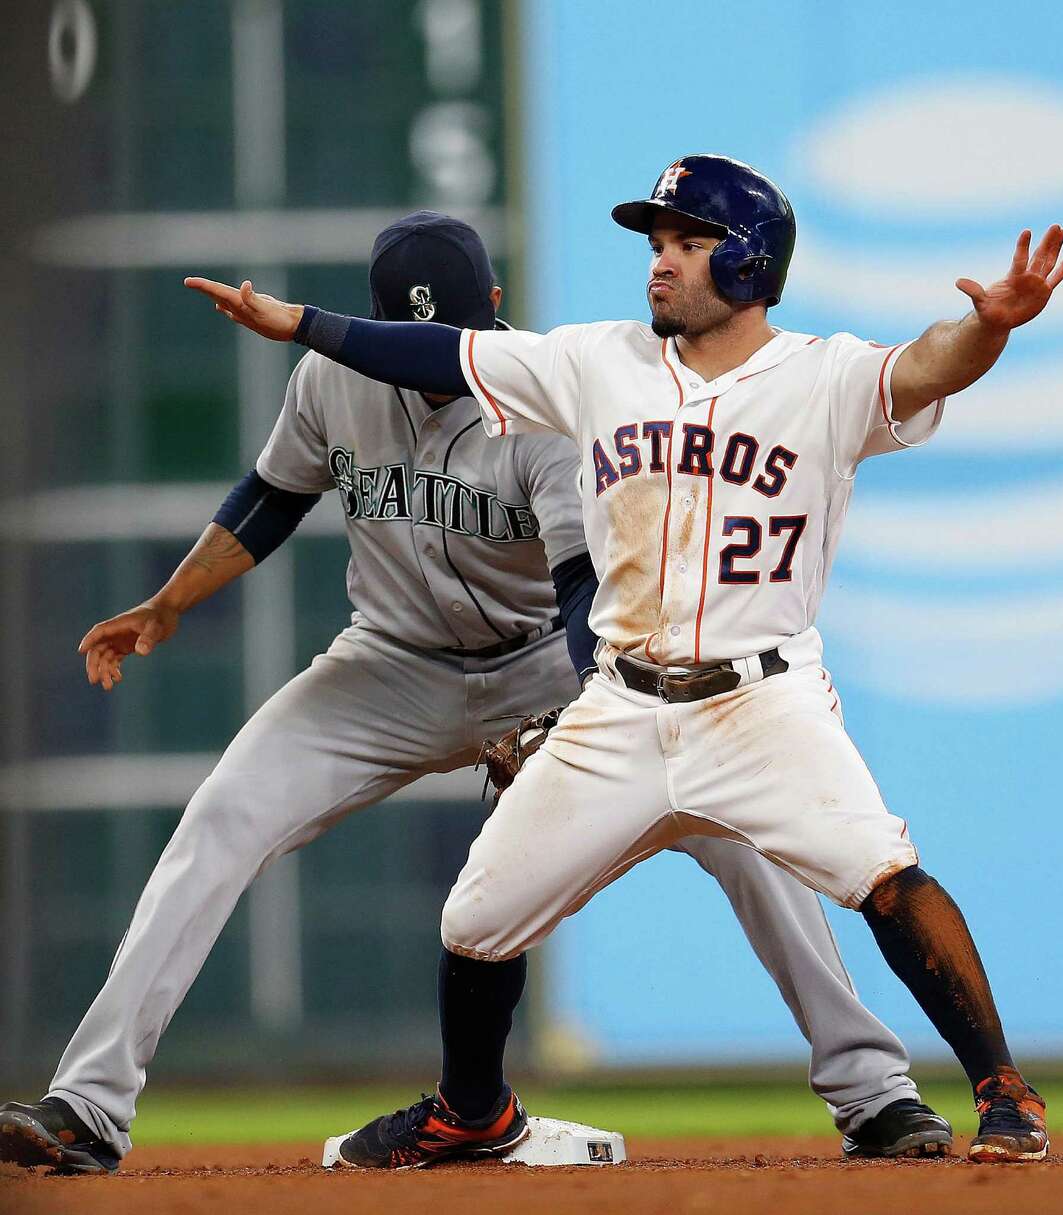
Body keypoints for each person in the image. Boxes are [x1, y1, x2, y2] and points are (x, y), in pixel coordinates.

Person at [0, 211, 950, 1176]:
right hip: (386, 667)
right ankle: (89, 1104)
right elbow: (273, 494)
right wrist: (167, 604)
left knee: (737, 834)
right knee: (221, 818)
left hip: (546, 662)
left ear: (486, 315)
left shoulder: (540, 401)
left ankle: (875, 1092)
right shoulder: (333, 377)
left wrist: (577, 711)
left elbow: (588, 594)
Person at [181, 155, 1063, 1168]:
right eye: (655, 244)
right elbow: (437, 353)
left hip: (762, 706)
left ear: (747, 264)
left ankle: (1005, 1090)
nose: (660, 263)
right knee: (478, 917)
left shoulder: (823, 377)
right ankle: (472, 1113)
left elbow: (928, 364)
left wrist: (990, 328)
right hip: (618, 706)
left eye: (686, 244)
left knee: (881, 872)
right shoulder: (595, 364)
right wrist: (302, 325)